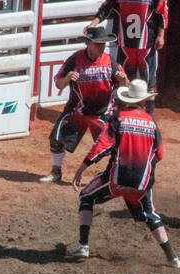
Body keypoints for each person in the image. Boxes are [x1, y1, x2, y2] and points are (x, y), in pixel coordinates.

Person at [67, 77, 180, 269]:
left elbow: (102, 146)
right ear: (144, 101)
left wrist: (82, 168)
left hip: (117, 178)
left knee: (86, 196)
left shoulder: (118, 118)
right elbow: (159, 154)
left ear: (127, 99)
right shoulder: (152, 123)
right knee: (151, 214)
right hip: (142, 183)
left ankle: (83, 246)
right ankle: (173, 258)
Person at [39, 20, 129, 183]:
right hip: (77, 110)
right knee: (56, 138)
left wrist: (123, 81)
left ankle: (115, 176)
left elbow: (125, 86)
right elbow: (58, 83)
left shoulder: (110, 61)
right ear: (88, 43)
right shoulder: (75, 59)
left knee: (115, 144)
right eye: (98, 44)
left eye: (103, 44)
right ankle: (56, 172)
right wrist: (67, 79)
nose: (101, 47)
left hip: (103, 112)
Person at [94, 0, 167, 111]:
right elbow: (108, 5)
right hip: (125, 42)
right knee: (124, 77)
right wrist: (95, 21)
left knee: (149, 79)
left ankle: (149, 114)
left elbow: (162, 10)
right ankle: (123, 110)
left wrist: (160, 35)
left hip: (146, 43)